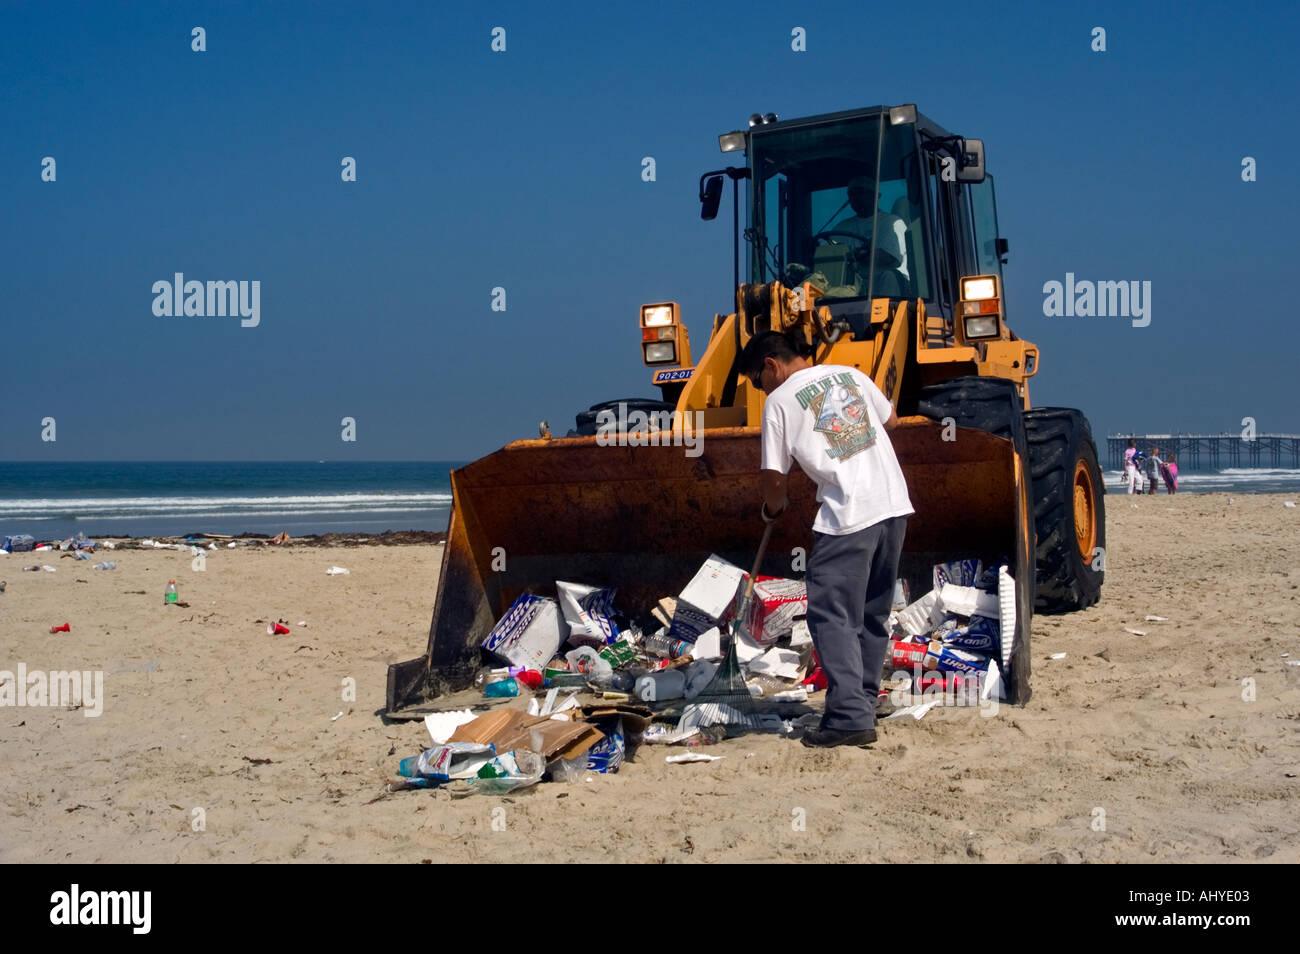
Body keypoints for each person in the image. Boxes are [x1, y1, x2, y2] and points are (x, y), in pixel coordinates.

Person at [740, 330, 914, 748]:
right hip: (893, 506)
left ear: (770, 365)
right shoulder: (850, 374)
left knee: (831, 615)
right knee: (873, 612)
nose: (758, 388)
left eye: (754, 379)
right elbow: (891, 420)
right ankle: (865, 702)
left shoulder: (779, 402)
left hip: (849, 515)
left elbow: (774, 477)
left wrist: (773, 507)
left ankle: (850, 718)